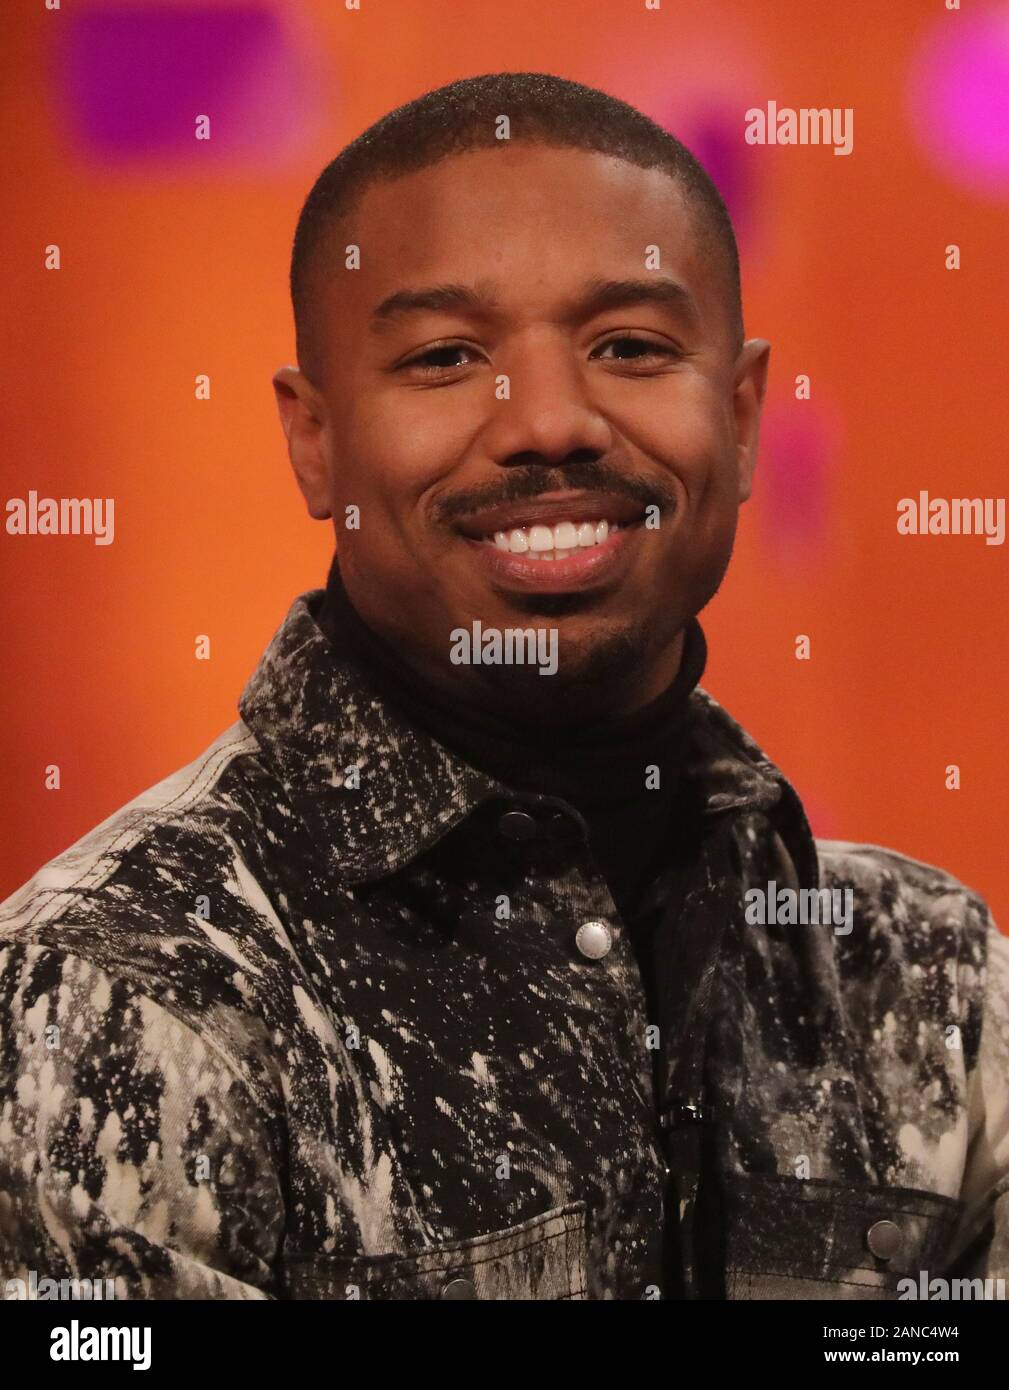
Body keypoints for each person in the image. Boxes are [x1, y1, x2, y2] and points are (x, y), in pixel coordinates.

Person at [1, 72, 1006, 1302]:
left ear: (740, 420)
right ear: (314, 440)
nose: (547, 422)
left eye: (629, 346)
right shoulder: (118, 987)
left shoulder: (928, 976)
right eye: (444, 356)